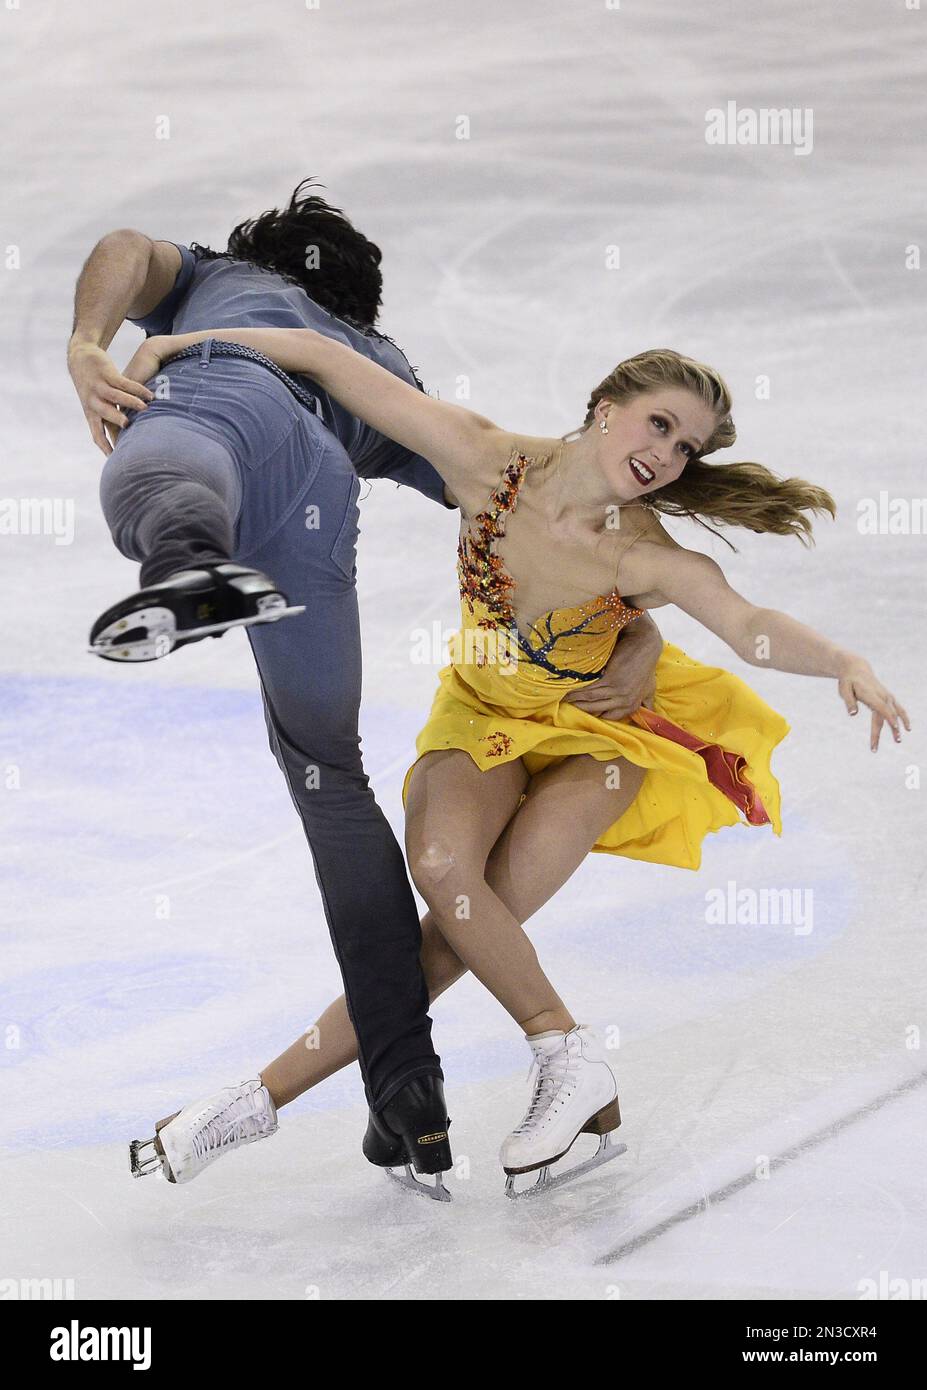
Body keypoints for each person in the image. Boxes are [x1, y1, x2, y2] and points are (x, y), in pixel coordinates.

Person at [119, 326, 910, 1197]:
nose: (666, 455)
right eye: (657, 425)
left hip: (598, 737)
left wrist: (844, 662)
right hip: (482, 715)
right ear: (604, 409)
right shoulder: (485, 461)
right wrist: (183, 342)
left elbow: (744, 622)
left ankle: (279, 1096)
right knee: (441, 872)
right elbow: (327, 358)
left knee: (456, 932)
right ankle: (539, 1068)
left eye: (684, 447)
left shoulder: (640, 553)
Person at [67, 180, 664, 1199]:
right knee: (327, 774)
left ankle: (184, 561)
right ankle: (407, 1093)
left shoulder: (222, 282)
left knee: (162, 458)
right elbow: (533, 505)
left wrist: (87, 342)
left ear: (263, 252)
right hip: (320, 504)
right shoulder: (379, 371)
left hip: (231, 404)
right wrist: (639, 624)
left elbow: (125, 246)